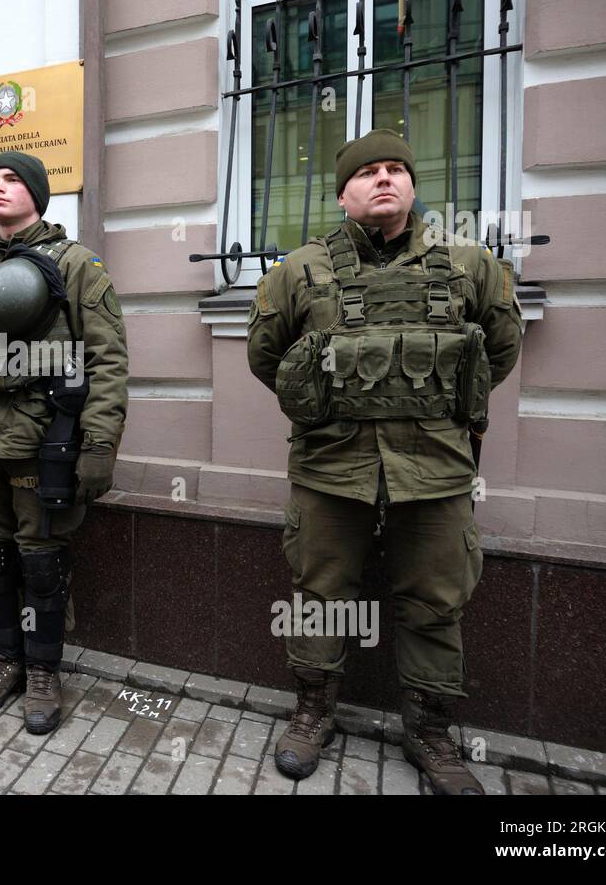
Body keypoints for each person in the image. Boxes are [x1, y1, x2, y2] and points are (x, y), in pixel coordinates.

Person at [246, 128, 523, 794]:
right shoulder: (299, 270)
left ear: (413, 186)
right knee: (321, 594)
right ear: (343, 193)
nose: (384, 179)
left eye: (397, 168)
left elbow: (501, 347)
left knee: (434, 599)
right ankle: (313, 710)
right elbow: (266, 356)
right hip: (330, 465)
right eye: (368, 172)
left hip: (434, 468)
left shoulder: (468, 264)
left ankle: (429, 730)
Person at [0, 151, 128, 734]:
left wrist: (100, 445)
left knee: (41, 559)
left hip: (41, 441)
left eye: (13, 180)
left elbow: (107, 358)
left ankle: (43, 669)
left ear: (39, 193)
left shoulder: (76, 263)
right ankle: (3, 660)